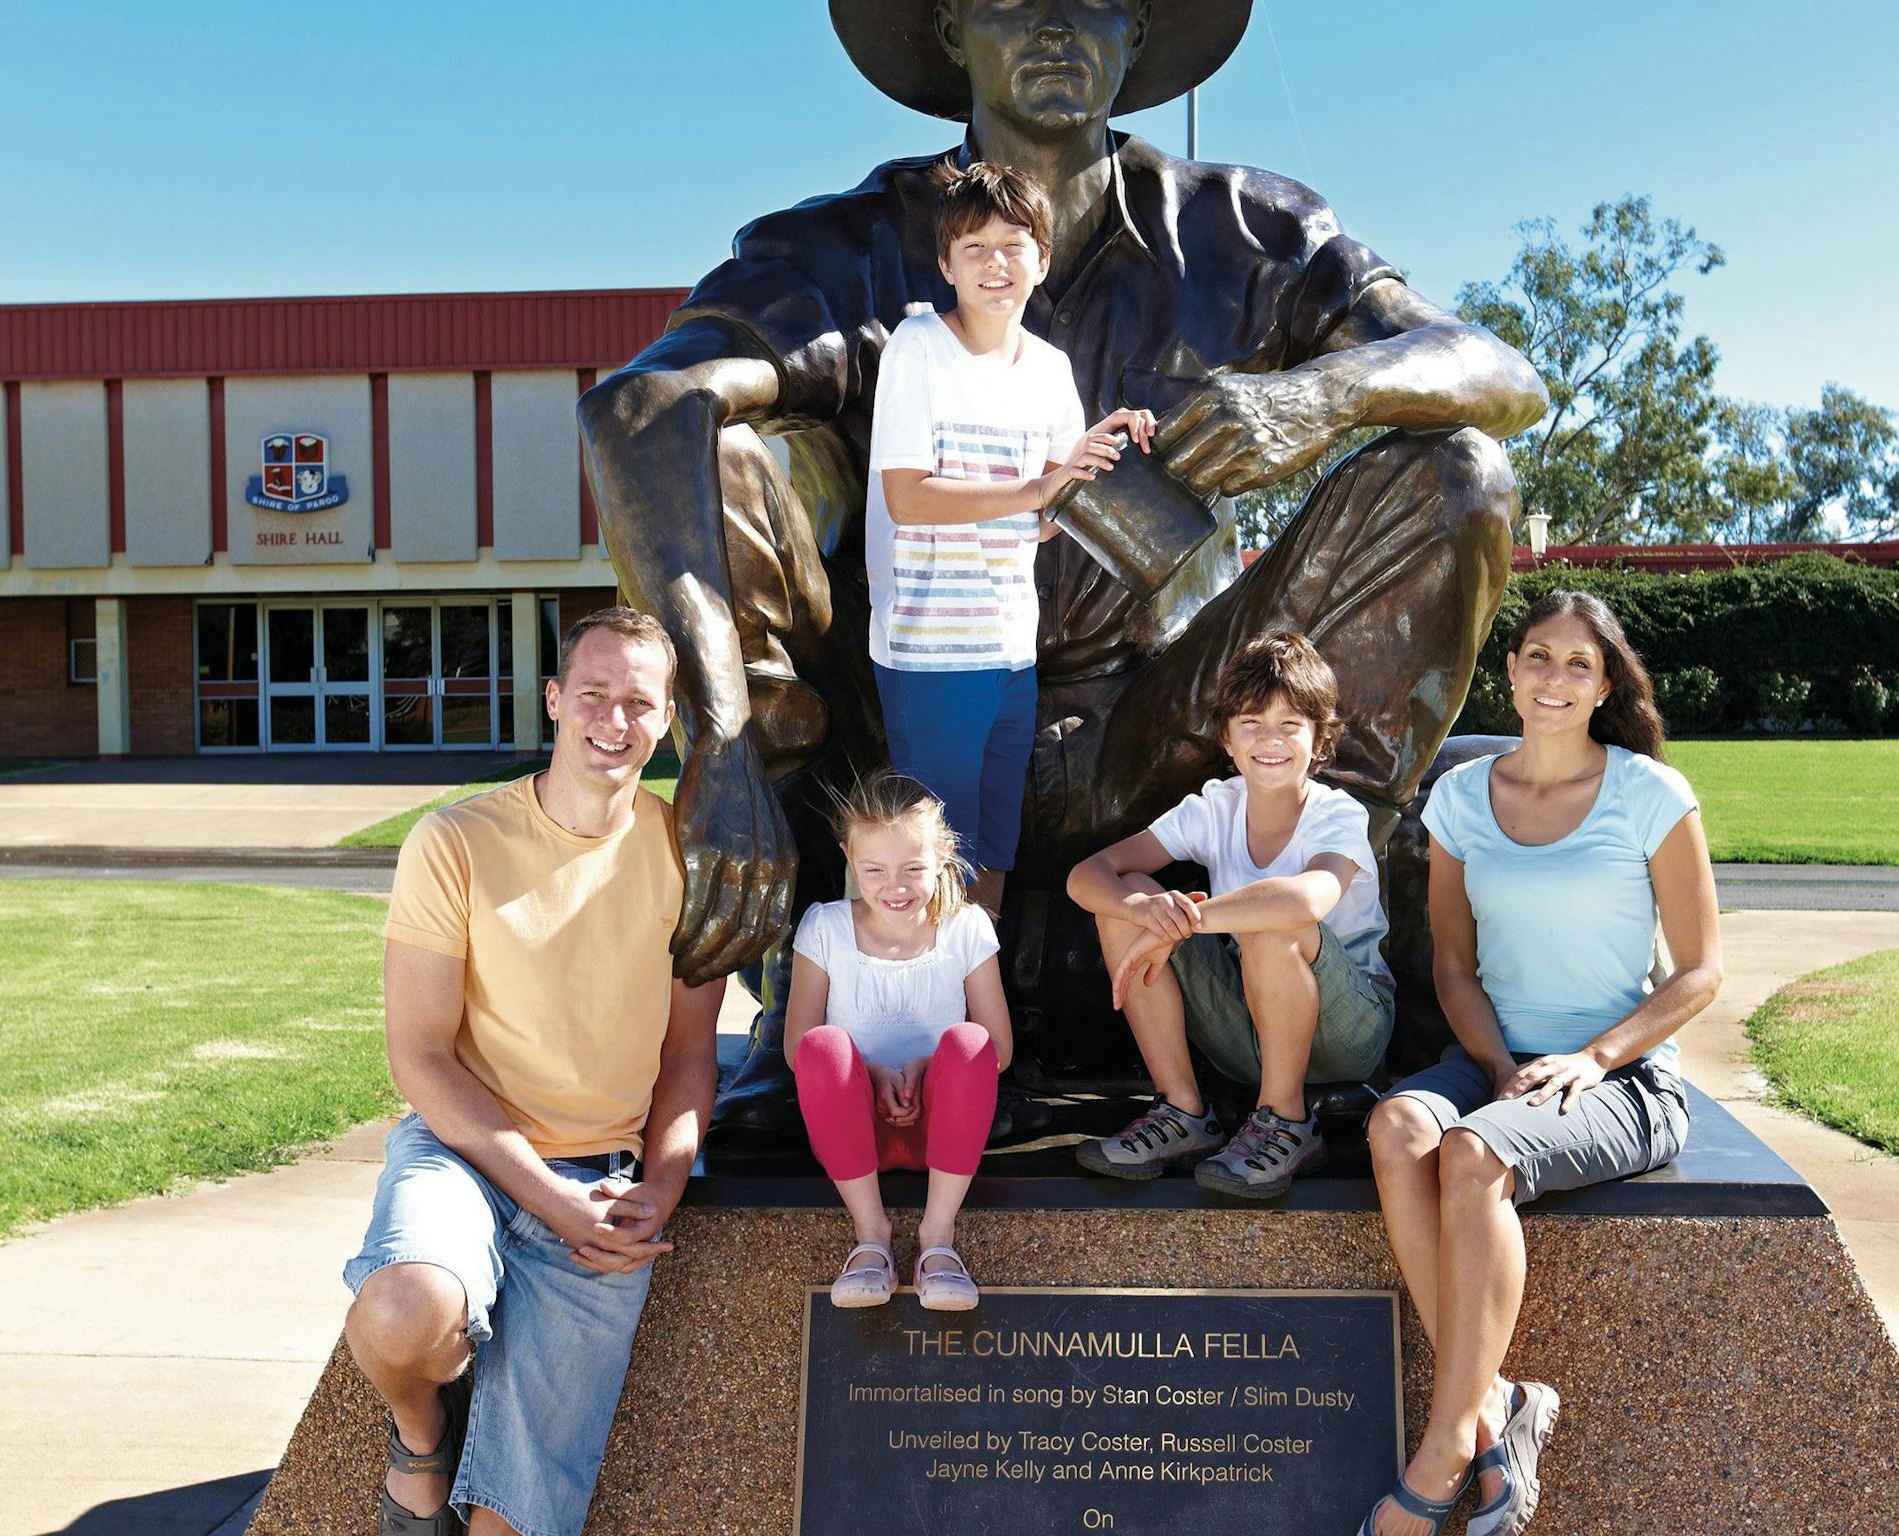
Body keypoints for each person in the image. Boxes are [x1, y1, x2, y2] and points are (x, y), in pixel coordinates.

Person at [577, 1, 1546, 1051]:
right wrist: (717, 737)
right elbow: (638, 408)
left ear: (1135, 31)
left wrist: (1315, 397)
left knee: (1456, 471)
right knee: (711, 452)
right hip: (898, 724)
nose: (1050, 27)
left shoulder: (1243, 230)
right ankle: (820, 968)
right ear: (949, 31)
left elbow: (1497, 372)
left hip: (1165, 722)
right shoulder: (843, 248)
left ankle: (1314, 946)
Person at [338, 608, 726, 1536]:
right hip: (464, 1154)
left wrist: (665, 1183)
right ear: (554, 701)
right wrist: (543, 1191)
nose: (614, 719)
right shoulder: (456, 841)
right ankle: (421, 1435)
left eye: (639, 701)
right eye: (593, 693)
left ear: (667, 721)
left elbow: (689, 1055)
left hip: (605, 1184)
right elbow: (419, 1055)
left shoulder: (689, 857)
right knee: (402, 1313)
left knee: (511, 1528)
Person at [1359, 590, 1723, 1536]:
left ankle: (1443, 1450)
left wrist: (1593, 1058)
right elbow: (1451, 964)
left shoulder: (1650, 794)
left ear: (1606, 685)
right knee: (1398, 1128)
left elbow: (1701, 974)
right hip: (1495, 1059)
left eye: (1577, 664)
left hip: (1624, 1076)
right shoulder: (1461, 798)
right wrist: (1493, 1066)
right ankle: (1494, 1409)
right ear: (1510, 670)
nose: (1553, 678)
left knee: (1476, 1157)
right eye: (1537, 657)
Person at [870, 157, 1153, 917]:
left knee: (991, 851)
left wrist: (1105, 447)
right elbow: (907, 498)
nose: (996, 263)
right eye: (975, 248)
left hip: (1009, 648)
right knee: (928, 861)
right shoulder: (917, 347)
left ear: (1043, 258)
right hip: (931, 650)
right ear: (945, 265)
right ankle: (926, 1024)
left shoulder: (1052, 369)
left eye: (1014, 244)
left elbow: (1050, 513)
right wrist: (1036, 488)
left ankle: (975, 1023)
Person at [1066, 632, 1394, 1198]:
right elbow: (1086, 875)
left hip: (1349, 1030)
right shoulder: (1216, 805)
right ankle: (1184, 1111)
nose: (1270, 740)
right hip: (1250, 1033)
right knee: (1130, 903)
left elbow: (1305, 901)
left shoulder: (1337, 813)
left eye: (1291, 724)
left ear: (1319, 740)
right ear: (1227, 738)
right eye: (1251, 723)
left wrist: (1186, 922)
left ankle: (1287, 1122)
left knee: (1273, 921)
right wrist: (1143, 909)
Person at [782, 770, 1013, 1309]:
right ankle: (871, 1235)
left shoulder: (967, 926)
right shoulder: (824, 928)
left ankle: (937, 1238)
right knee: (823, 1048)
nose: (895, 887)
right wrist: (874, 1074)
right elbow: (797, 1047)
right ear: (847, 857)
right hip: (854, 1128)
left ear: (943, 857)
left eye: (914, 869)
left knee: (970, 1042)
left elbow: (998, 1048)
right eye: (874, 870)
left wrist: (927, 1068)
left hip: (943, 1129)